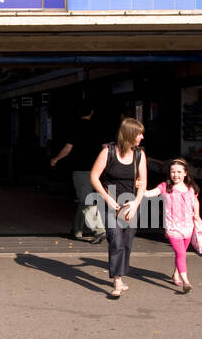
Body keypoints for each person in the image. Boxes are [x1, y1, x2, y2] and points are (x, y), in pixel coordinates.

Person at [89, 117, 148, 298]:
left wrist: (136, 203)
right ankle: (117, 280)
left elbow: (143, 181)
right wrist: (106, 198)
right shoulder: (108, 152)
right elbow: (94, 177)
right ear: (129, 134)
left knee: (127, 240)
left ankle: (120, 273)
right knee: (115, 238)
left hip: (130, 202)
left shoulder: (139, 154)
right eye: (139, 134)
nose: (142, 137)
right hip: (110, 201)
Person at [146, 158, 202, 292]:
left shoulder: (191, 188)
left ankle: (176, 274)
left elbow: (195, 201)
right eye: (172, 172)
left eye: (178, 172)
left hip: (188, 227)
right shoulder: (165, 187)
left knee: (180, 254)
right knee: (181, 253)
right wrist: (139, 188)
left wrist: (197, 214)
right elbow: (149, 194)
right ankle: (186, 282)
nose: (175, 175)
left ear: (185, 173)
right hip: (172, 227)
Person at [49, 103, 102, 240]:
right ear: (91, 112)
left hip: (80, 169)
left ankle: (93, 229)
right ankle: (82, 229)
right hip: (96, 169)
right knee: (87, 200)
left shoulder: (74, 128)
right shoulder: (97, 128)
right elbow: (104, 148)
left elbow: (68, 148)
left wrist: (56, 159)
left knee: (86, 200)